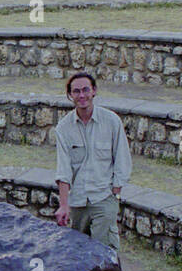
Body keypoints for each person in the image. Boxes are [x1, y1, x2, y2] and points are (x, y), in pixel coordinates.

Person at [54, 71, 132, 251]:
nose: (81, 95)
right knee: (79, 254)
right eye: (76, 91)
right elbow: (63, 169)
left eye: (85, 90)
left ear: (94, 91)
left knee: (104, 253)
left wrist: (115, 192)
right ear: (70, 95)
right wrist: (64, 205)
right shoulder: (63, 128)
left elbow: (122, 159)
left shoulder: (111, 121)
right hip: (78, 201)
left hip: (104, 197)